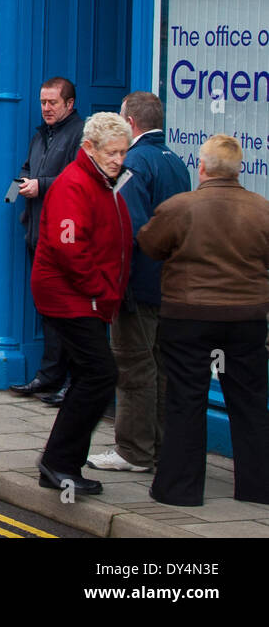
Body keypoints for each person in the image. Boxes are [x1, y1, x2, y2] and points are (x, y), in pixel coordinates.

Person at [136, 135, 269, 506]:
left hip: (188, 316)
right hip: (246, 318)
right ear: (238, 168)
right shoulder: (262, 209)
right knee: (250, 401)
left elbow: (149, 244)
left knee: (185, 399)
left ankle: (179, 489)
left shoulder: (181, 207)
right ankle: (259, 487)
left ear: (203, 167)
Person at [30, 111, 133, 496]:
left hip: (85, 298)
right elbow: (68, 248)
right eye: (112, 152)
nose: (118, 160)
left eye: (123, 152)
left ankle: (58, 462)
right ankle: (58, 462)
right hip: (70, 297)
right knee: (100, 375)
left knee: (91, 376)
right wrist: (101, 291)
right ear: (88, 148)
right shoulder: (75, 184)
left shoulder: (102, 182)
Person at [86, 92, 190, 473]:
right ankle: (159, 445)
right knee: (161, 367)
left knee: (133, 368)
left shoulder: (135, 162)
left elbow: (128, 227)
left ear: (130, 124)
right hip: (171, 283)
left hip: (139, 283)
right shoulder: (177, 162)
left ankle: (133, 450)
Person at [11, 77, 85, 405]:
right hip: (36, 231)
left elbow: (79, 180)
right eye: (43, 103)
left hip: (62, 237)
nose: (46, 109)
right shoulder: (40, 134)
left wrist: (41, 185)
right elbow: (26, 169)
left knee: (68, 312)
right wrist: (13, 195)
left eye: (52, 103)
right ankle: (48, 375)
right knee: (47, 311)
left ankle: (72, 382)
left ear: (69, 104)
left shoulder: (79, 134)